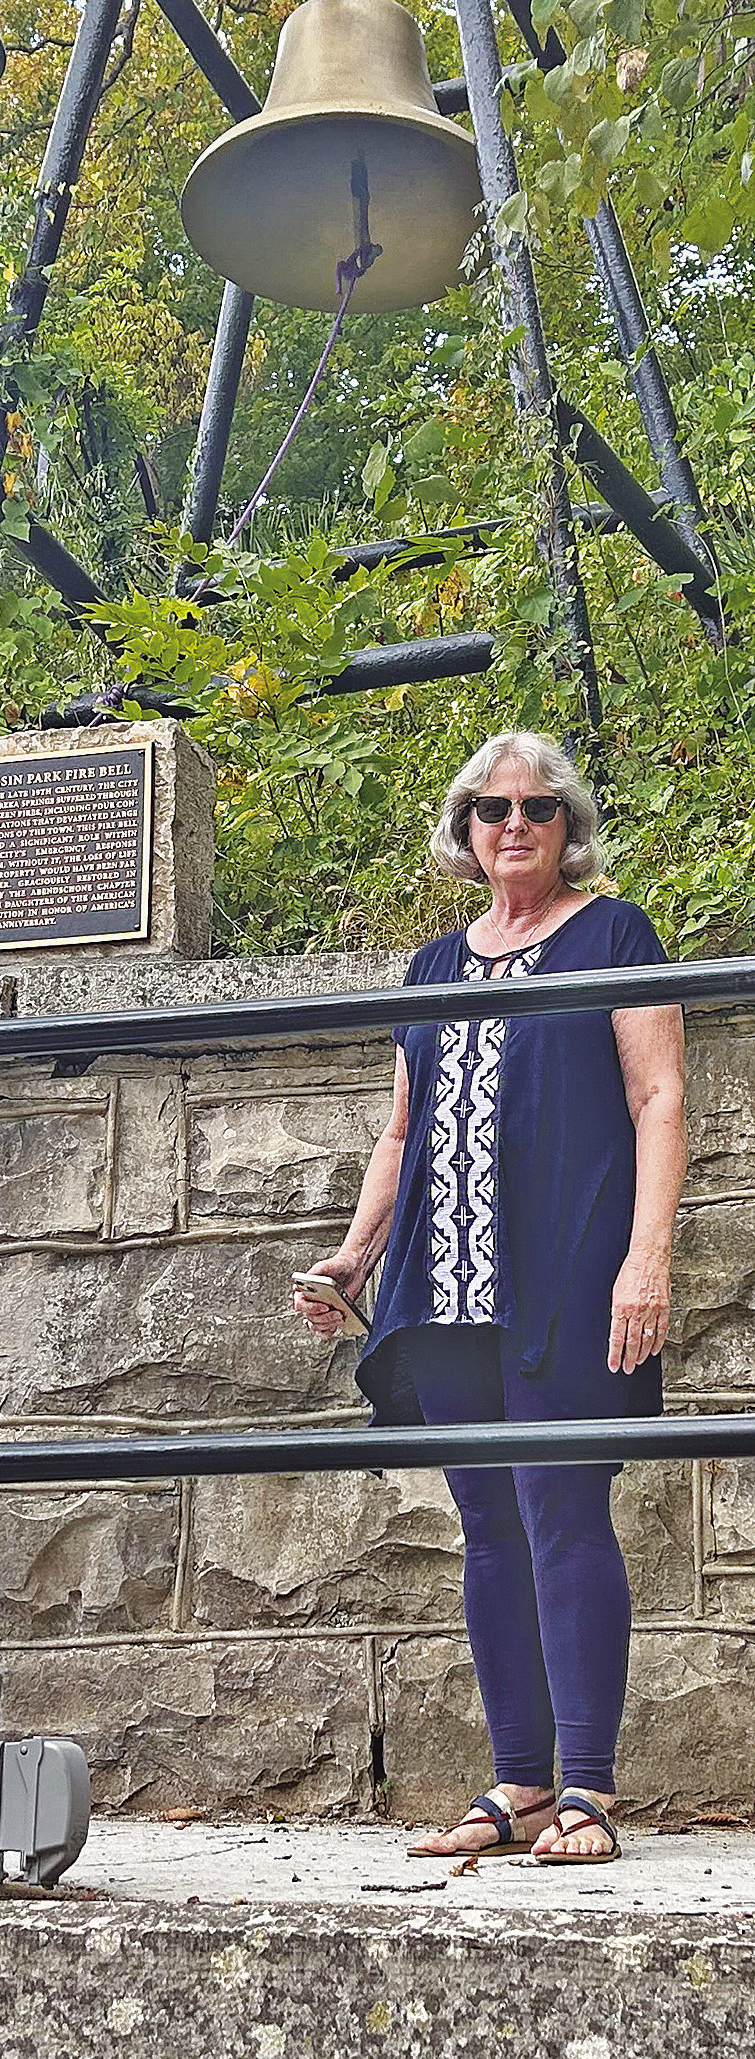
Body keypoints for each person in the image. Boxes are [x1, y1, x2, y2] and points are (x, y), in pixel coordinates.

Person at [294, 729, 685, 1866]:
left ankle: (587, 1793)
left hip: (561, 1275)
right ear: (463, 832)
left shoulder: (613, 934)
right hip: (442, 1283)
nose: (512, 824)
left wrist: (644, 1258)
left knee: (561, 1514)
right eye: (488, 809)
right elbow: (402, 1128)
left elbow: (658, 1095)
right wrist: (351, 1260)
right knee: (483, 1529)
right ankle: (513, 1783)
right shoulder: (428, 966)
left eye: (536, 808)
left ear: (567, 829)